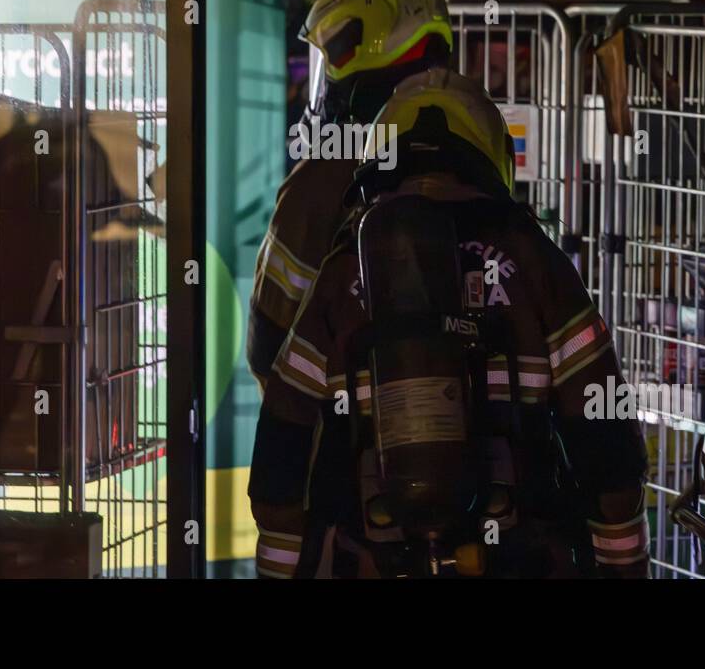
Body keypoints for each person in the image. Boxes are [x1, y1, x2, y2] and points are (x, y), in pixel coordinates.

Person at [248, 69, 649, 577]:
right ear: (489, 153)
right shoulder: (535, 260)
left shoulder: (342, 271)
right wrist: (624, 565)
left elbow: (281, 455)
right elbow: (607, 449)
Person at [246, 0, 453, 387]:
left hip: (346, 441)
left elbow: (267, 346)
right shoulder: (475, 159)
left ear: (361, 55)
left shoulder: (319, 183)